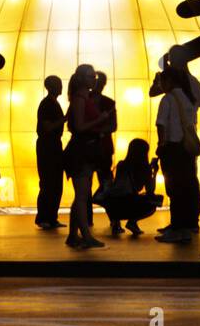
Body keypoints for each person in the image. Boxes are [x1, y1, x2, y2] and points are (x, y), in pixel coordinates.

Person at [150, 45, 200, 239]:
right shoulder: (192, 87)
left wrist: (160, 143)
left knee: (175, 186)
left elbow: (161, 124)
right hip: (188, 141)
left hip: (172, 145)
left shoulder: (169, 97)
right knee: (189, 183)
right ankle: (190, 222)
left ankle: (179, 224)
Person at [63, 64, 108, 249]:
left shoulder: (81, 98)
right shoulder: (80, 99)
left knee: (81, 195)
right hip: (81, 151)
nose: (94, 80)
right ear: (82, 79)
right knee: (82, 196)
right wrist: (101, 119)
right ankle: (86, 235)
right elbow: (80, 126)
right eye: (91, 76)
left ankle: (74, 235)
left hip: (85, 150)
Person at [99, 138, 162, 235]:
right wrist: (154, 173)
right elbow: (150, 190)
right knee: (155, 200)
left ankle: (115, 222)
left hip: (113, 204)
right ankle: (132, 222)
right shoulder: (145, 169)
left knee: (113, 198)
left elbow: (117, 186)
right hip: (131, 203)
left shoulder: (121, 165)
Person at [34, 75, 66, 229]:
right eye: (58, 85)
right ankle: (43, 217)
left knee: (56, 183)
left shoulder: (52, 103)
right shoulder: (47, 104)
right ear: (52, 87)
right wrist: (64, 119)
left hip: (53, 145)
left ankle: (52, 216)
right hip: (47, 146)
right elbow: (47, 127)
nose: (61, 87)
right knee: (48, 182)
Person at [92, 70, 120, 234]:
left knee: (106, 184)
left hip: (101, 148)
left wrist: (94, 130)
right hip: (98, 147)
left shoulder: (108, 103)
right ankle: (112, 220)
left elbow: (113, 125)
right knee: (104, 184)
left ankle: (114, 219)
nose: (99, 86)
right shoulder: (105, 103)